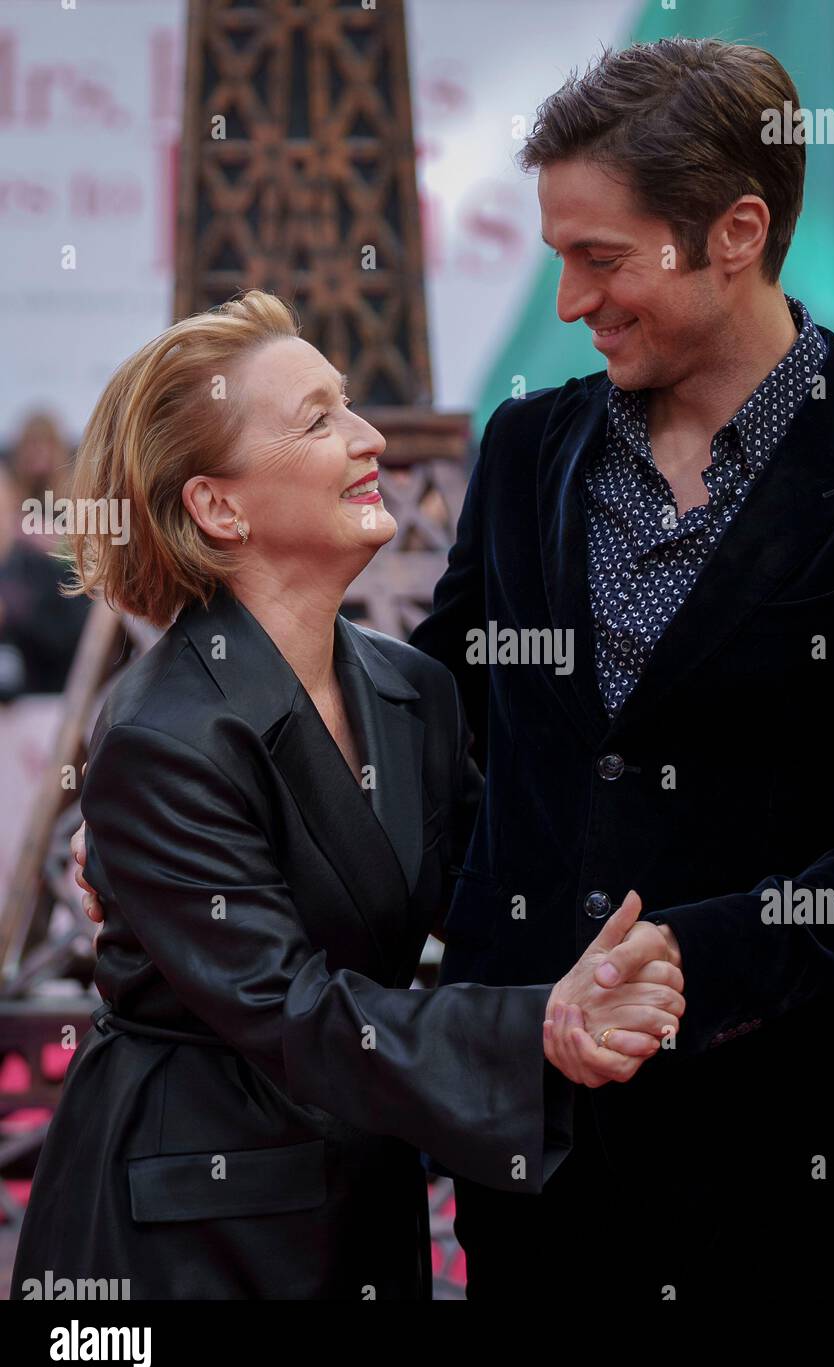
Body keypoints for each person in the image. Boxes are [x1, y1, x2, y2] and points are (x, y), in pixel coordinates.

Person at [406, 38, 834, 1300]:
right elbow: (429, 712)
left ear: (737, 230)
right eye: (557, 255)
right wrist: (213, 788)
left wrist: (690, 959)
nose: (569, 299)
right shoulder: (524, 449)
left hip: (791, 1157)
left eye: (603, 257)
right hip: (532, 1147)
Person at [13, 289, 684, 1301]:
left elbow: (493, 891)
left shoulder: (406, 684)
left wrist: (625, 956)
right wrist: (543, 1026)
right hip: (183, 1228)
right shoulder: (163, 734)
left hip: (354, 1191)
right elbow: (294, 1011)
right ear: (219, 506)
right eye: (319, 420)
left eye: (349, 403)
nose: (370, 438)